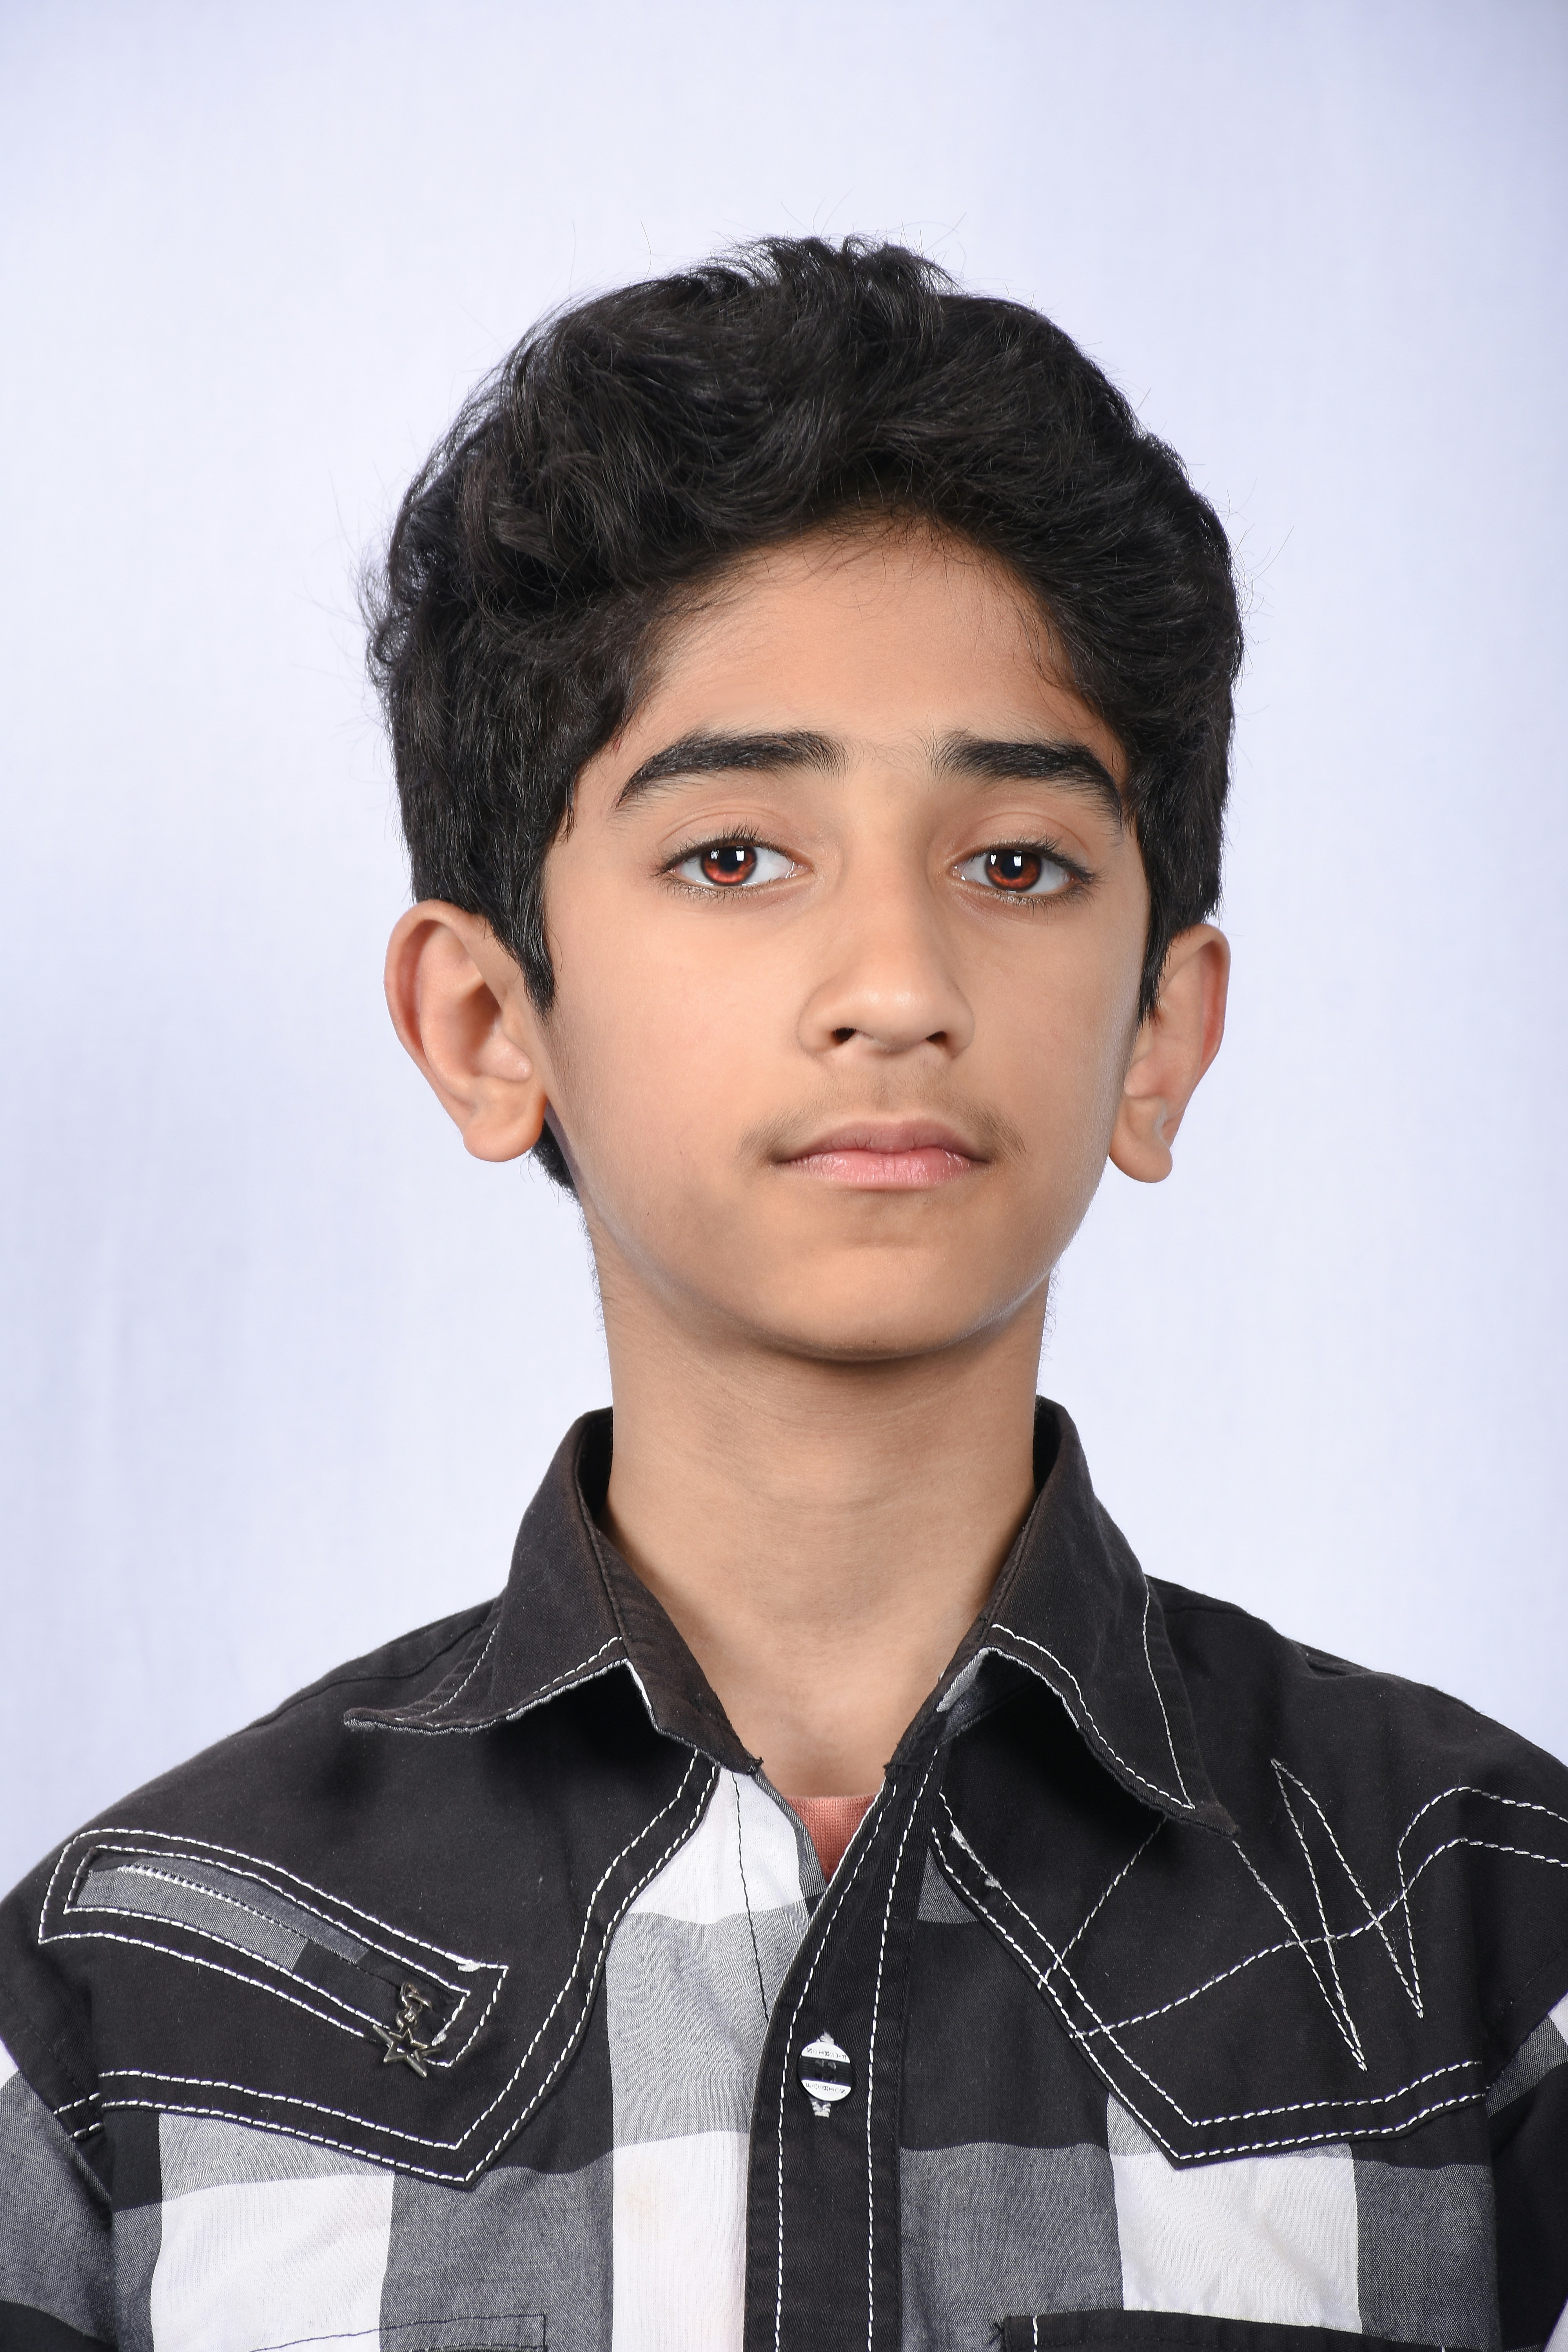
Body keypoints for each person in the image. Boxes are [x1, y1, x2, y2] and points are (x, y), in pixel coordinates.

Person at [0, 237, 1562, 2352]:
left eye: (1016, 860)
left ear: (1163, 1033)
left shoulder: (1490, 1929)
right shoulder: (124, 2004)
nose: (901, 988)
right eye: (737, 853)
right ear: (486, 1021)